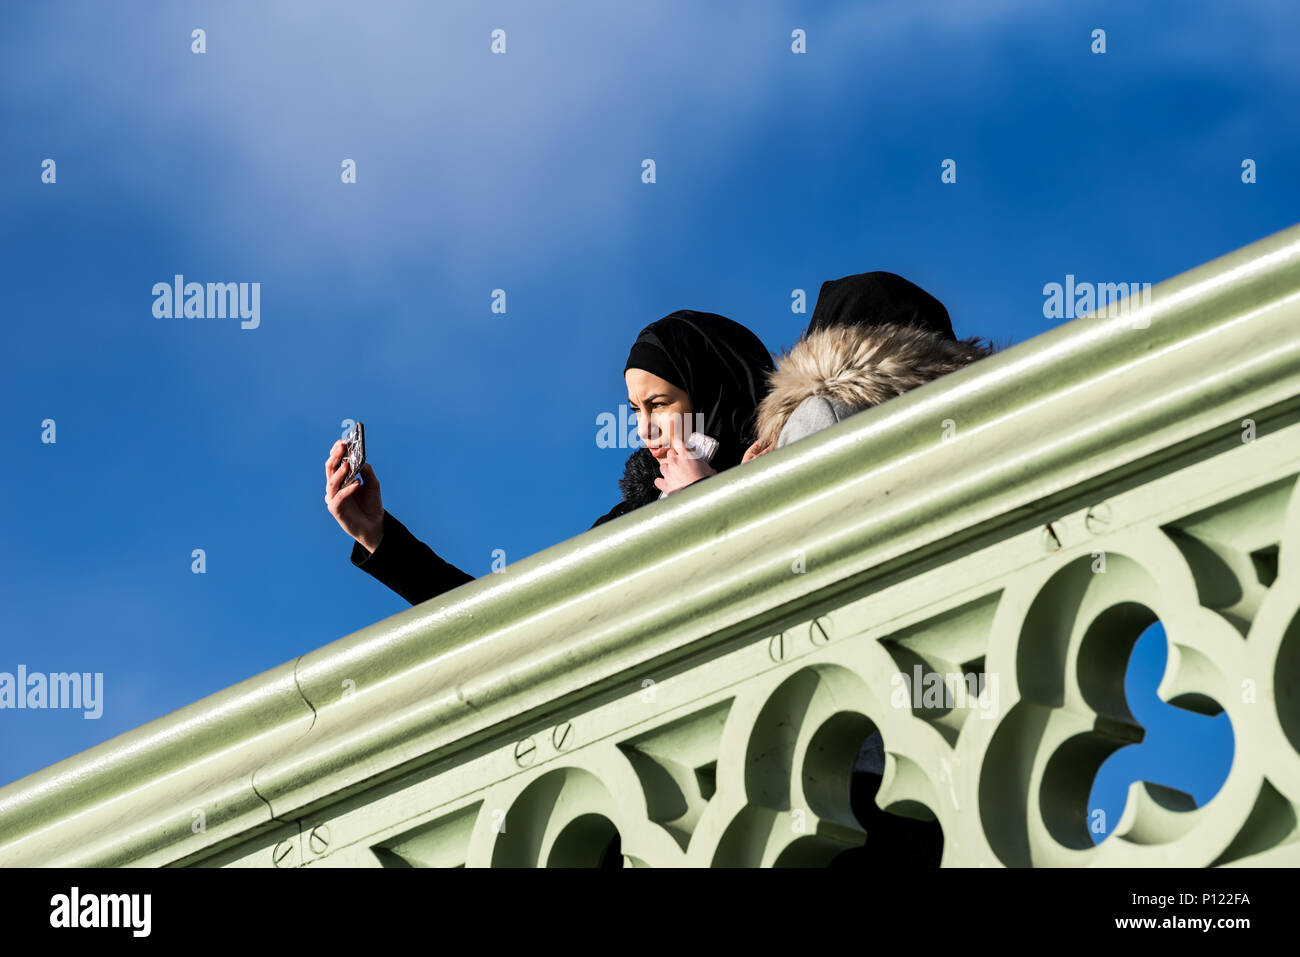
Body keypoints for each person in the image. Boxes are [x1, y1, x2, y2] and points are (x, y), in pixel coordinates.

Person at [324, 309, 773, 606]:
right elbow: (513, 623)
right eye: (635, 409)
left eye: (658, 404)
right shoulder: (626, 519)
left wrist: (702, 500)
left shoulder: (779, 466)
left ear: (712, 394)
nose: (642, 429)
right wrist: (378, 536)